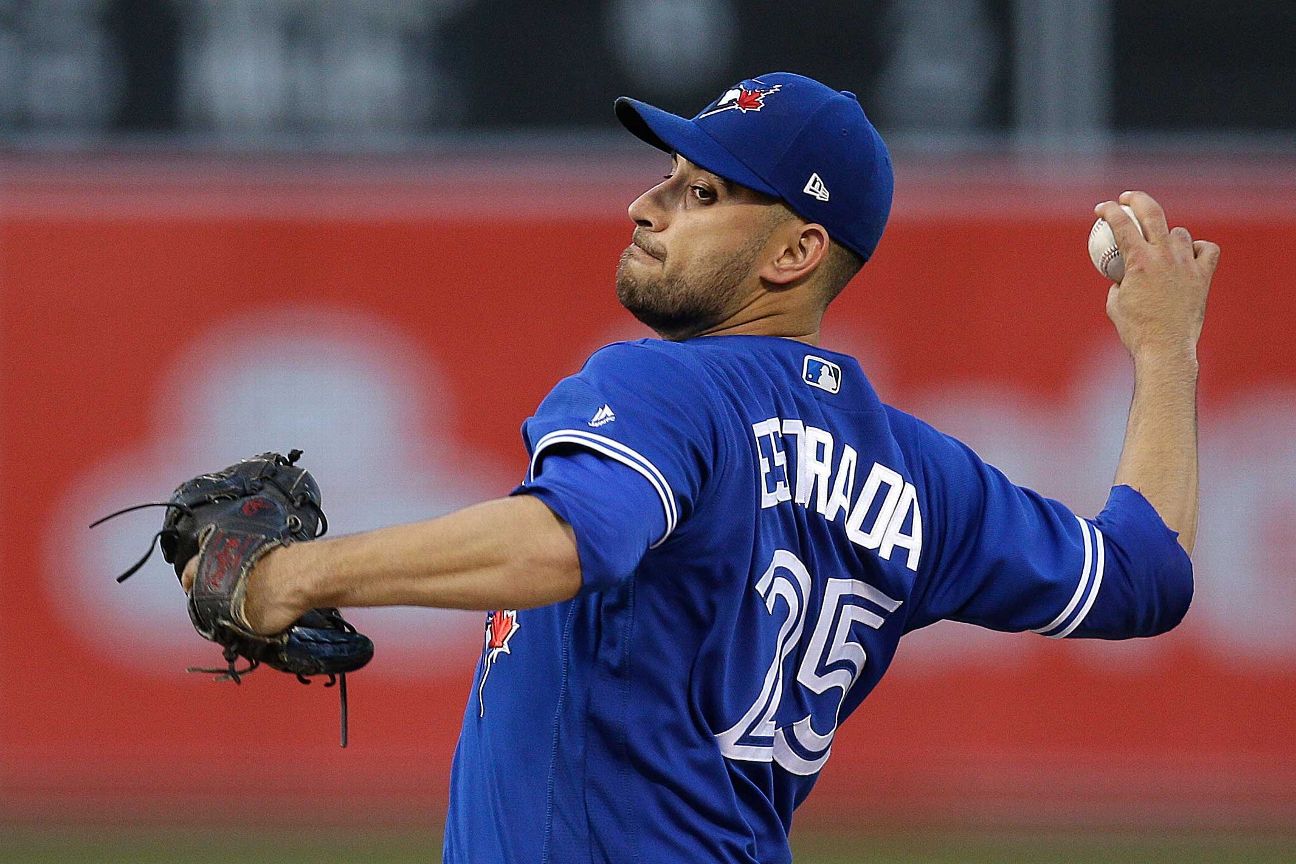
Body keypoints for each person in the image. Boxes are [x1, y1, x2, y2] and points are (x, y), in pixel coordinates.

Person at [183, 72, 1219, 863]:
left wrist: (285, 579)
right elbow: (1145, 573)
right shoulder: (923, 477)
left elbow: (568, 541)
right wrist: (1166, 350)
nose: (647, 206)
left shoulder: (669, 389)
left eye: (700, 192)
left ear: (793, 254)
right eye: (668, 179)